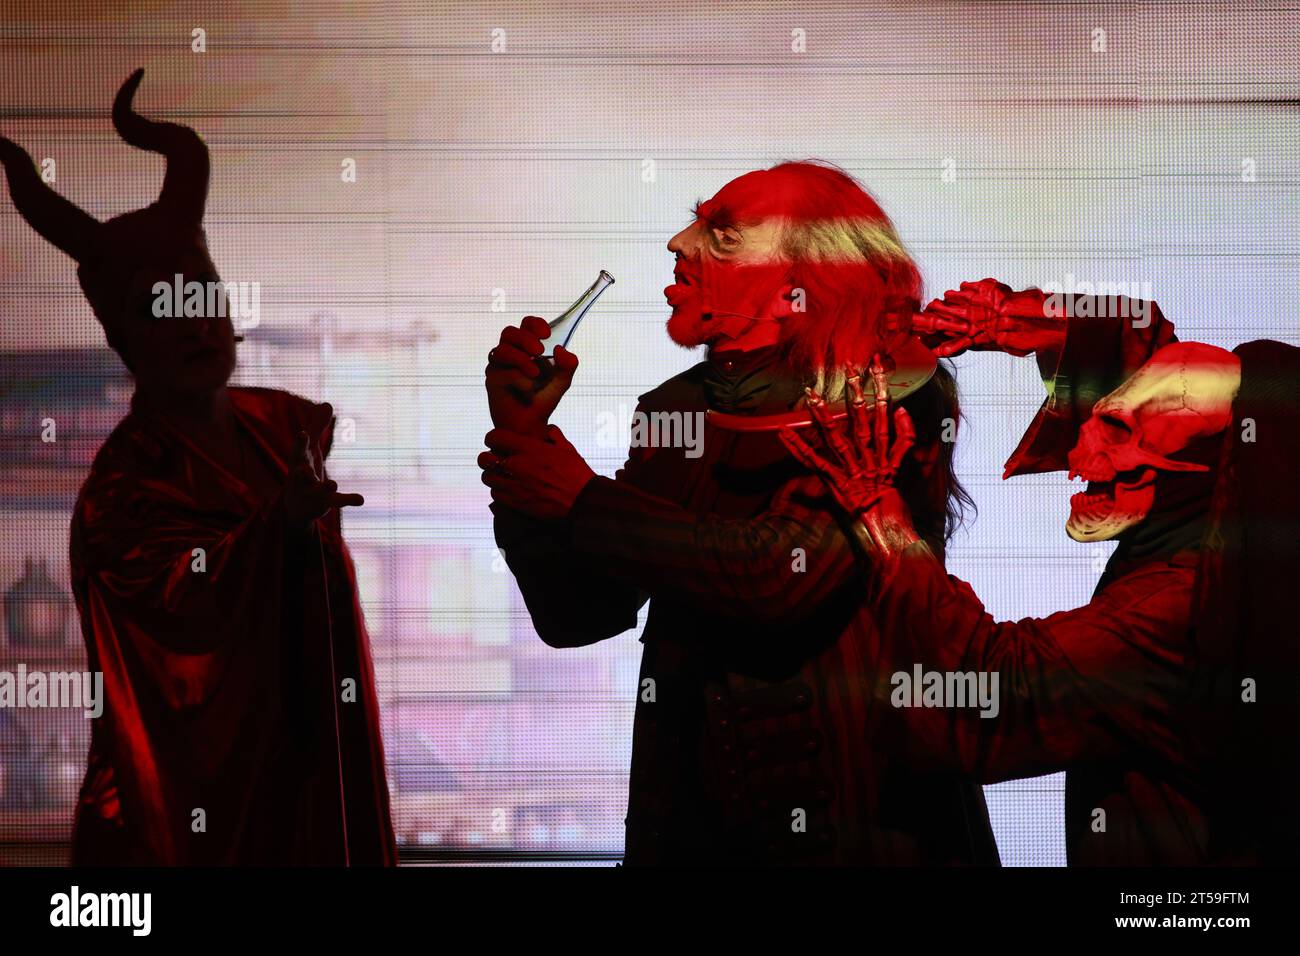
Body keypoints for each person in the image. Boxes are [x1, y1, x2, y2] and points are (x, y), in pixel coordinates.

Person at [481, 160, 998, 864]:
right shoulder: (678, 409)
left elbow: (780, 579)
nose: (679, 243)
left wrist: (581, 498)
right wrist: (522, 445)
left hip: (862, 835)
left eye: (722, 234)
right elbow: (578, 615)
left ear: (801, 278)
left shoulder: (885, 392)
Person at [0, 69, 396, 864]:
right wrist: (270, 531)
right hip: (186, 815)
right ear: (124, 344)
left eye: (200, 296)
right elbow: (174, 619)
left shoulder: (285, 428)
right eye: (159, 308)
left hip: (309, 776)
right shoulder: (123, 486)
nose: (191, 324)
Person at [786, 279, 1300, 864]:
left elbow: (989, 691)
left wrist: (875, 507)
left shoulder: (1180, 610)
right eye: (1105, 415)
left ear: (1199, 470)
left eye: (1119, 433)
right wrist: (1021, 319)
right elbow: (1155, 357)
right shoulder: (1253, 473)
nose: (1080, 449)